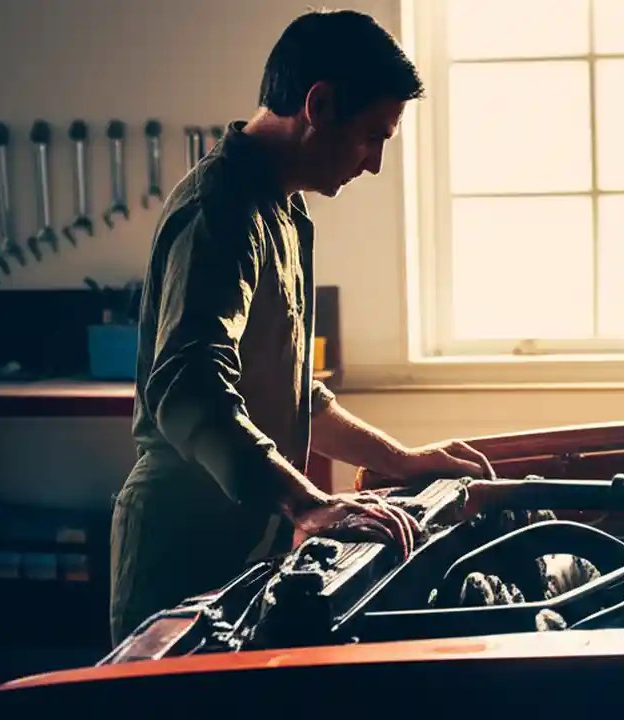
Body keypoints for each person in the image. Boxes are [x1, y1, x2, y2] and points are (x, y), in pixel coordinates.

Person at [109, 9, 495, 645]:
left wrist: (399, 461)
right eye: (373, 135)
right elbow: (187, 385)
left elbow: (295, 400)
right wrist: (309, 501)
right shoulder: (221, 209)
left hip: (247, 531)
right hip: (182, 540)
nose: (372, 163)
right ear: (318, 104)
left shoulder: (284, 212)